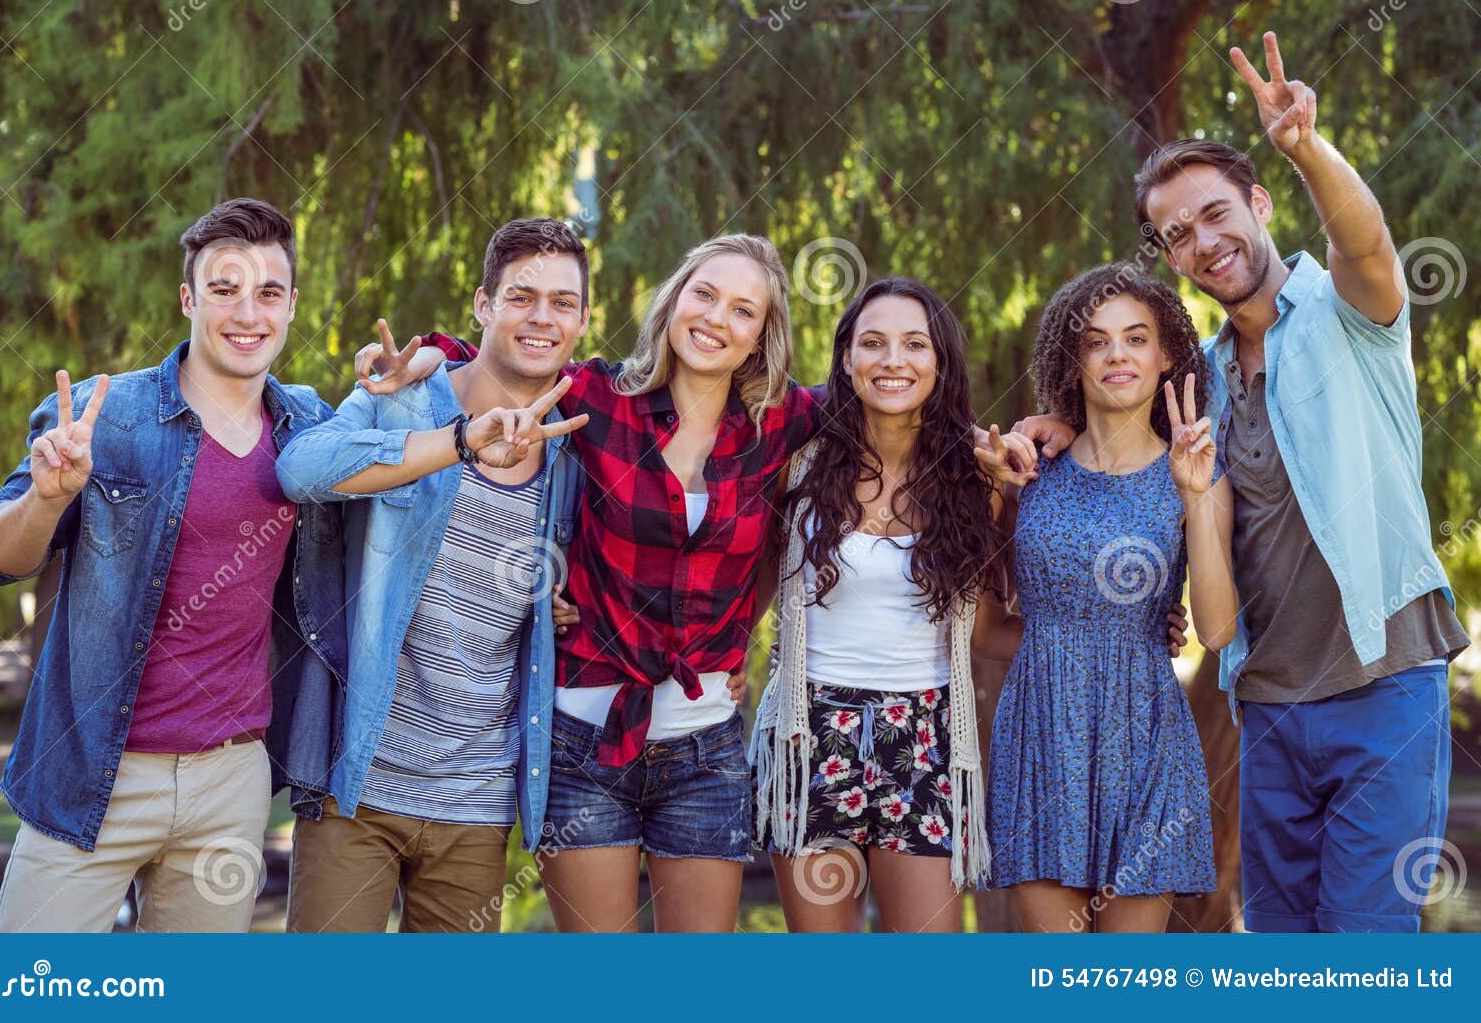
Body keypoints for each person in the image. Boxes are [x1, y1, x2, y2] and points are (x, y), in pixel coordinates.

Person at [364, 233, 813, 931]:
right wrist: (427, 356)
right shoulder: (600, 398)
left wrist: (1035, 430)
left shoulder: (778, 425)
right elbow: (498, 355)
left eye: (743, 310)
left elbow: (892, 404)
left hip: (705, 746)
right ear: (673, 301)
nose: (716, 318)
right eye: (704, 294)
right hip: (582, 740)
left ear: (760, 337)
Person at [1128, 31, 1469, 932]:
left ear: (1261, 203)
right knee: (1282, 949)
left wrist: (1307, 145)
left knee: (1363, 951)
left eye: (1213, 214)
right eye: (1178, 236)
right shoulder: (1196, 381)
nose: (1203, 242)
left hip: (1385, 683)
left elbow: (1368, 242)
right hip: (1270, 705)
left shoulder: (1348, 313)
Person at [0, 199, 345, 932]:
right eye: (224, 288)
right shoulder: (106, 415)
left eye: (268, 292)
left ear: (292, 306)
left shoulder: (310, 426)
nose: (247, 312)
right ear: (188, 298)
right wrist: (46, 500)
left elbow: (400, 466)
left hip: (230, 781)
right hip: (93, 771)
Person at [274, 218, 597, 932]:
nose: (542, 316)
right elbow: (300, 470)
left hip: (476, 807)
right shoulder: (409, 398)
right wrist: (453, 440)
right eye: (521, 296)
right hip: (358, 785)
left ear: (581, 320)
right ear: (483, 305)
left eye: (562, 302)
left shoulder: (572, 458)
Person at [750, 277, 1019, 932]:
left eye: (913, 344)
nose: (893, 359)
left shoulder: (973, 480)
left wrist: (1135, 629)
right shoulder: (800, 467)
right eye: (873, 342)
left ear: (939, 362)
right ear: (846, 359)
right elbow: (746, 587)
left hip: (924, 733)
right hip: (809, 730)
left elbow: (991, 627)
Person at [986, 264, 1235, 932]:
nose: (1117, 353)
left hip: (1149, 737)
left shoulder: (1197, 472)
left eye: (1135, 338)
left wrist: (1195, 495)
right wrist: (1064, 641)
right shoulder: (1028, 468)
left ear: (1166, 356)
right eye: (1097, 341)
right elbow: (988, 627)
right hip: (1039, 734)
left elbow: (1215, 629)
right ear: (1074, 359)